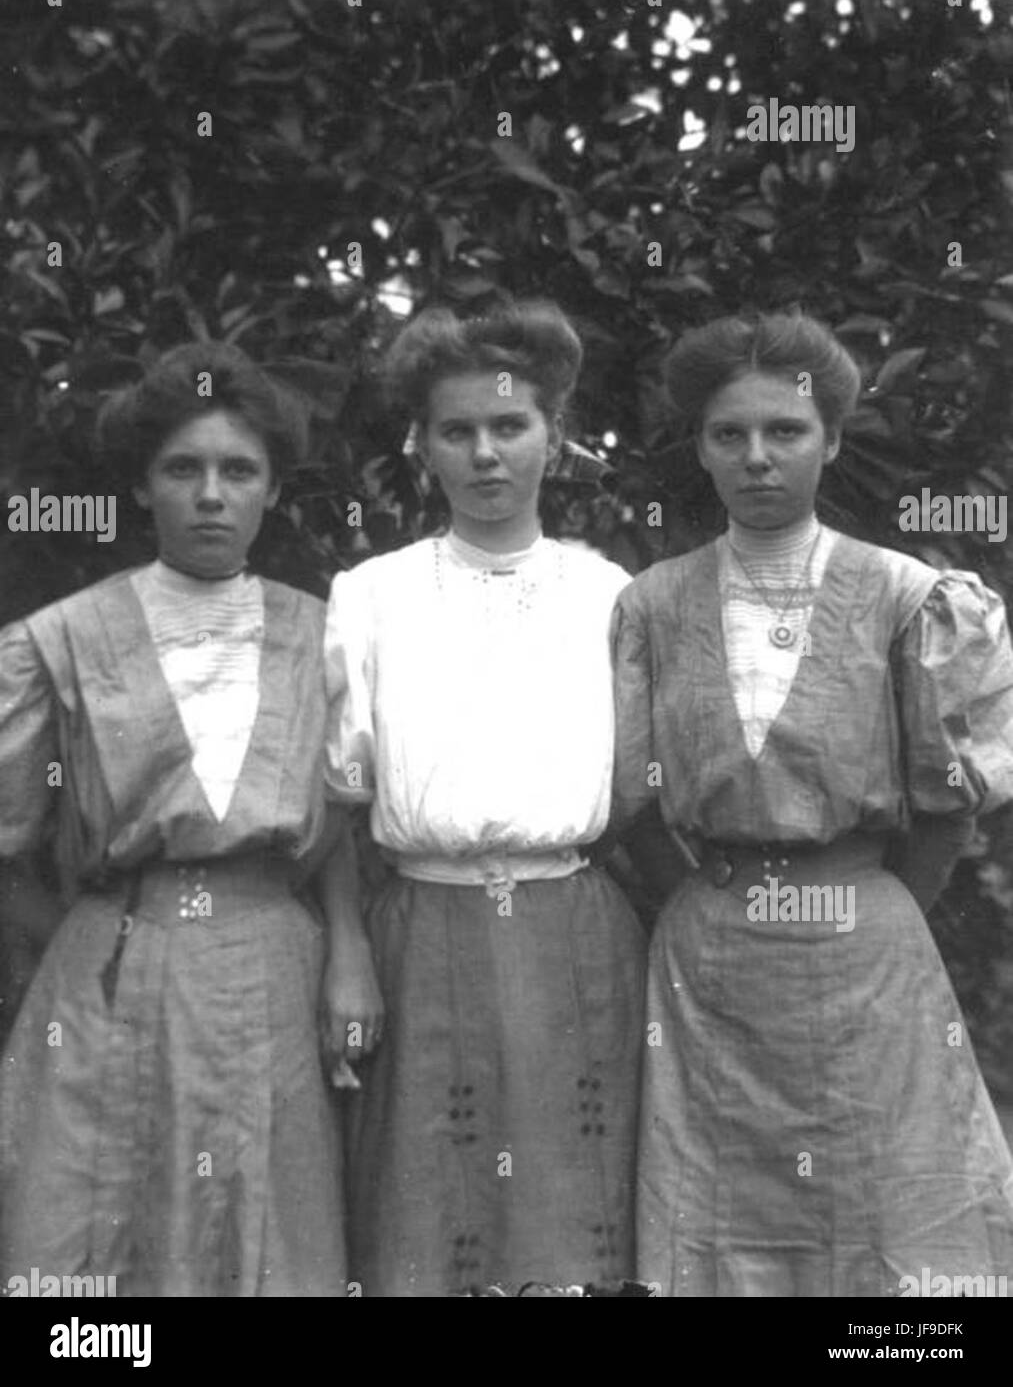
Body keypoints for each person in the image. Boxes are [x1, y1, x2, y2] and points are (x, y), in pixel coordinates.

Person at [612, 311, 1013, 1297]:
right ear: (699, 448)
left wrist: (871, 905)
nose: (756, 456)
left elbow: (945, 805)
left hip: (864, 945)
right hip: (708, 958)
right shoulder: (650, 605)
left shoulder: (909, 597)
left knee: (878, 1203)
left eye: (784, 431)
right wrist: (702, 898)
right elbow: (633, 802)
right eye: (728, 434)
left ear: (829, 439)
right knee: (718, 1209)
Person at [0, 342, 364, 1296]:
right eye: (182, 469)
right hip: (112, 965)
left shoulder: (323, 634)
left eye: (238, 472)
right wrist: (85, 940)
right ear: (142, 485)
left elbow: (341, 811)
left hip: (273, 963)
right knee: (96, 1229)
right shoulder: (61, 640)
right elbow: (6, 841)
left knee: (264, 1222)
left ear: (272, 490)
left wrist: (348, 954)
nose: (210, 495)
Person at [321, 298, 646, 1296]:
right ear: (421, 446)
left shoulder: (610, 596)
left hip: (574, 932)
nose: (486, 453)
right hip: (420, 929)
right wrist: (347, 953)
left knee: (574, 1209)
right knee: (427, 1207)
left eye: (510, 425)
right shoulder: (370, 596)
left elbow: (642, 794)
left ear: (555, 432)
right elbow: (338, 802)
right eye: (456, 431)